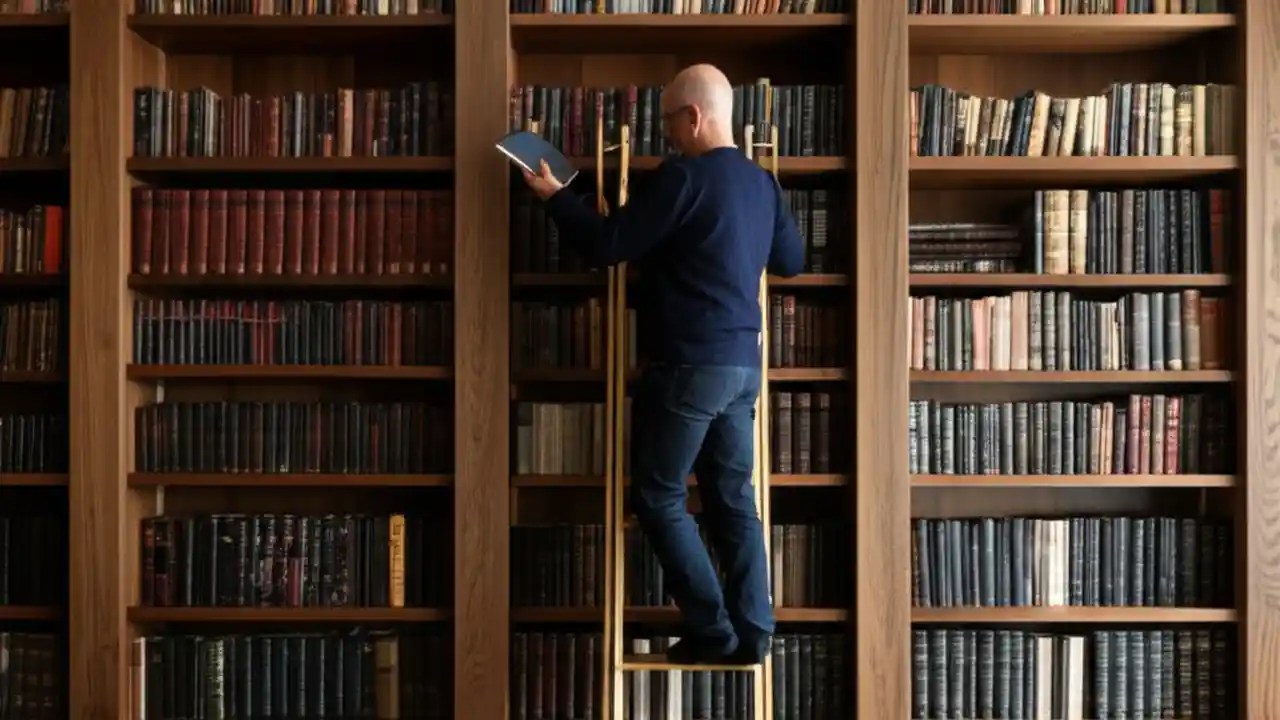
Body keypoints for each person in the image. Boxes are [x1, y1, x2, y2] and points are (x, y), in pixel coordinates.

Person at [520, 63, 805, 665]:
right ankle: (755, 631)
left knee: (657, 497)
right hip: (743, 368)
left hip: (688, 366)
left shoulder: (682, 178)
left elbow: (607, 245)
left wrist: (556, 198)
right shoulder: (764, 184)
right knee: (733, 500)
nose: (667, 133)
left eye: (671, 120)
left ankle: (712, 629)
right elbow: (791, 260)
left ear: (694, 116)